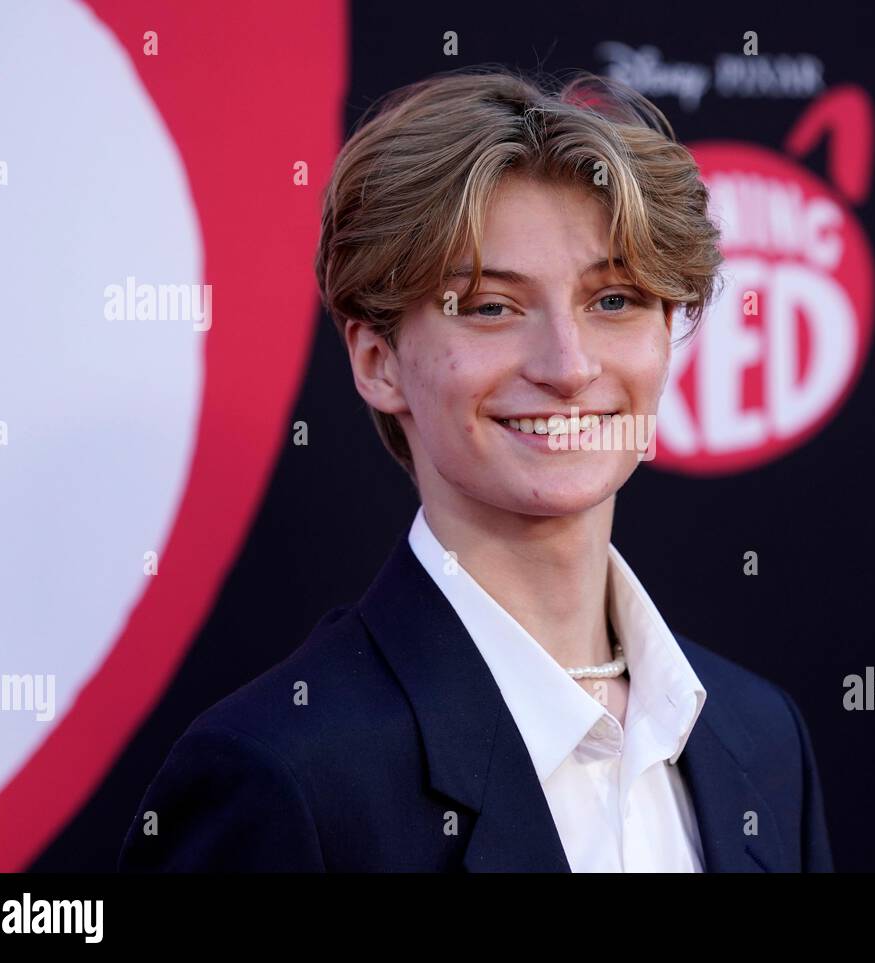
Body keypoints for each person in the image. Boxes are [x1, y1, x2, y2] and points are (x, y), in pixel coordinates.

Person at [118, 66, 834, 872]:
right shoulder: (282, 775)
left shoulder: (760, 736)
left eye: (614, 300)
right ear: (378, 360)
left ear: (669, 334)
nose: (568, 366)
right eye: (492, 306)